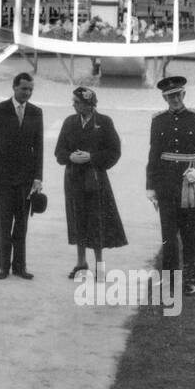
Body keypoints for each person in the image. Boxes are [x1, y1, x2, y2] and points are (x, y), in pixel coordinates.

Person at [146, 75, 195, 296]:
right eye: (169, 96)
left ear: (183, 95)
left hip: (190, 185)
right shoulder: (158, 120)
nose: (174, 99)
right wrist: (150, 186)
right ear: (164, 98)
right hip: (166, 187)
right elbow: (154, 155)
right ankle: (170, 280)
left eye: (177, 95)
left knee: (190, 236)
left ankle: (188, 280)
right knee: (168, 237)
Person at [54, 86, 126, 278]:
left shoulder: (104, 122)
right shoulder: (69, 122)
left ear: (88, 104)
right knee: (77, 218)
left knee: (96, 219)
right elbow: (58, 151)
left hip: (95, 179)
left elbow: (114, 151)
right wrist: (70, 157)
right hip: (73, 178)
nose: (73, 105)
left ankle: (99, 265)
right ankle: (81, 262)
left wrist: (91, 157)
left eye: (77, 102)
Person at [0, 71, 43, 280]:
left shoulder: (36, 112)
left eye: (30, 89)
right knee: (3, 223)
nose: (27, 93)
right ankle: (3, 267)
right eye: (24, 88)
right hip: (2, 177)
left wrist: (38, 178)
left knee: (22, 224)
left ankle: (20, 266)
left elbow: (39, 147)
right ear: (14, 88)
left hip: (26, 179)